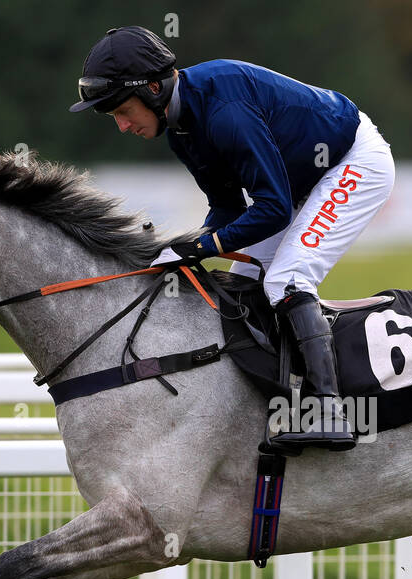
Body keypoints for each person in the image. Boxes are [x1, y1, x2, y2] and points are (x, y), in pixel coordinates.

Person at [70, 26, 395, 451]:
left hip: (353, 161)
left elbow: (273, 209)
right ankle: (283, 397)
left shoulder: (225, 112)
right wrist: (177, 248)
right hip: (299, 182)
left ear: (153, 88)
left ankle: (329, 410)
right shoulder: (181, 127)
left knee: (287, 280)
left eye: (122, 110)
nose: (122, 125)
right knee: (246, 284)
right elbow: (227, 210)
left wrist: (200, 247)